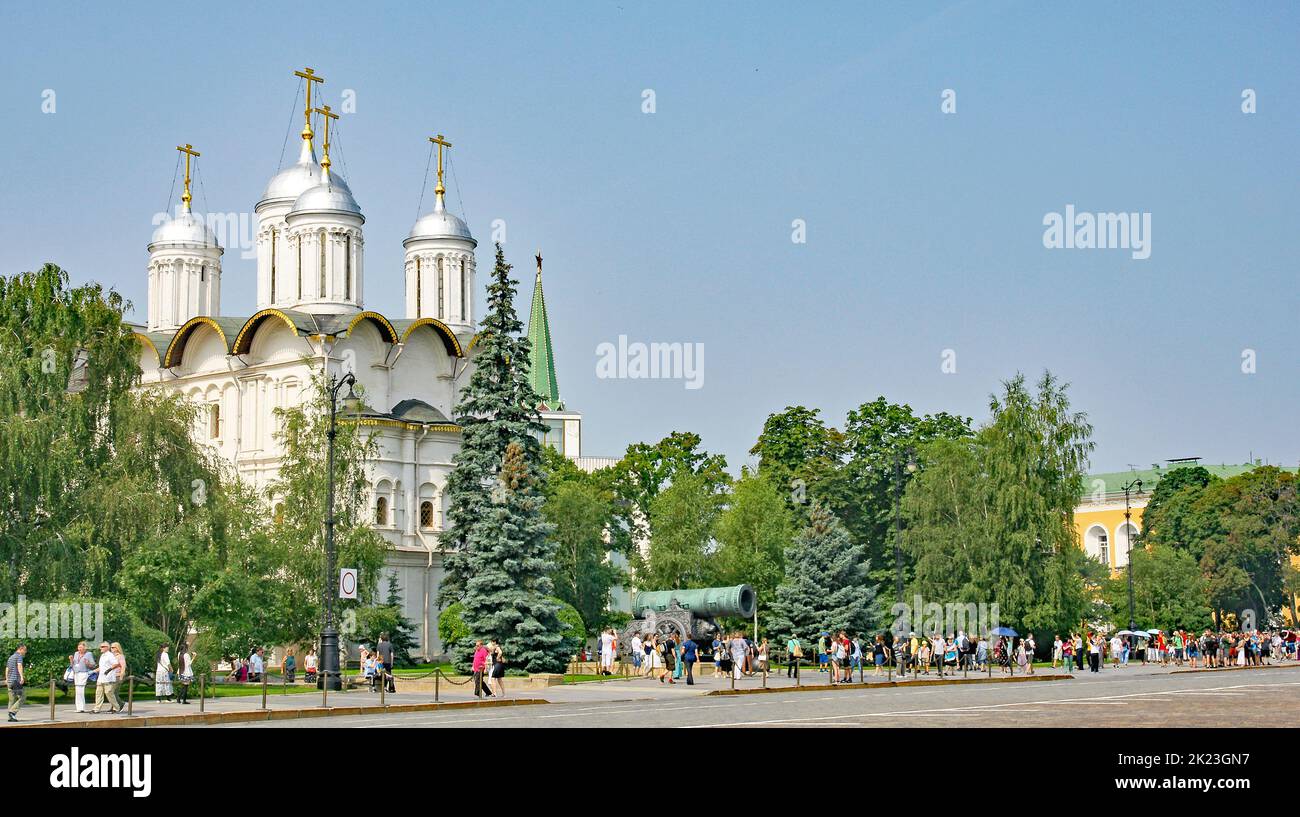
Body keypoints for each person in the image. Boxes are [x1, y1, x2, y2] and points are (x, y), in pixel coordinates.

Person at [69, 641, 97, 713]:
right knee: (77, 690)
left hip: (83, 673)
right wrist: (71, 660)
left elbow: (93, 665)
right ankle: (79, 707)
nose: (79, 649)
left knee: (81, 689)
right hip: (76, 673)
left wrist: (87, 663)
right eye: (78, 647)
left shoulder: (88, 654)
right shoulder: (76, 653)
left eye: (81, 647)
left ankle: (82, 708)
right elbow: (73, 664)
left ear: (85, 648)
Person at [6, 643, 26, 722]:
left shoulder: (10, 657)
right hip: (15, 681)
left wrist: (7, 679)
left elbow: (7, 669)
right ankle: (12, 712)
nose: (25, 652)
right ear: (20, 649)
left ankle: (10, 717)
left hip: (10, 681)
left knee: (12, 699)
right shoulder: (19, 656)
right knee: (23, 697)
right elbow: (19, 665)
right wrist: (21, 677)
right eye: (25, 650)